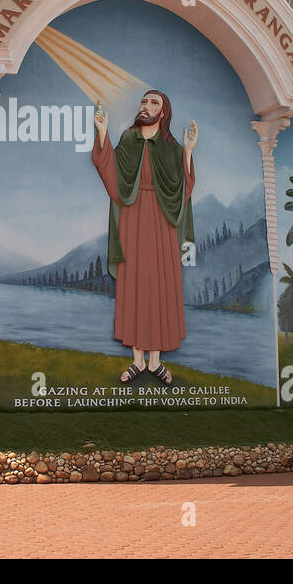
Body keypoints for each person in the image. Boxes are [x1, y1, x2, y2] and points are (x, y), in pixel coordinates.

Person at [91, 90, 197, 386]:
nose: (146, 106)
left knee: (160, 285)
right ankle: (137, 361)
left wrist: (188, 151)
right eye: (144, 101)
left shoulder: (171, 147)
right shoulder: (129, 139)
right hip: (133, 219)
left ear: (163, 113)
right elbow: (111, 170)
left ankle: (155, 361)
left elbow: (183, 189)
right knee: (134, 285)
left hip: (162, 223)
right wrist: (102, 133)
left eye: (154, 103)